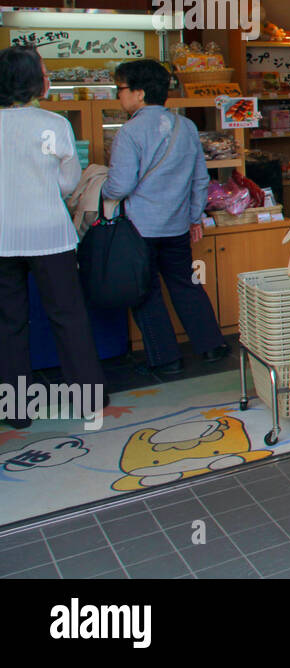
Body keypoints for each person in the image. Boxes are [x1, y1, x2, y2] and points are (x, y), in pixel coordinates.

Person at [0, 46, 105, 429]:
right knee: (68, 316)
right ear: (32, 80)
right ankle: (88, 400)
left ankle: (15, 411)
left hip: (2, 237)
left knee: (8, 323)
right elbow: (68, 182)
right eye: (43, 71)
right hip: (49, 235)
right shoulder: (54, 124)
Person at [103, 59, 225, 377]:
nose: (120, 96)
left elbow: (121, 185)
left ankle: (165, 357)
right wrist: (194, 216)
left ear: (140, 93)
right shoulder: (185, 127)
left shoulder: (129, 132)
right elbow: (201, 179)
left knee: (145, 291)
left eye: (122, 89)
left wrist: (99, 186)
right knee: (185, 283)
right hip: (177, 224)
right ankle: (211, 344)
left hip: (139, 227)